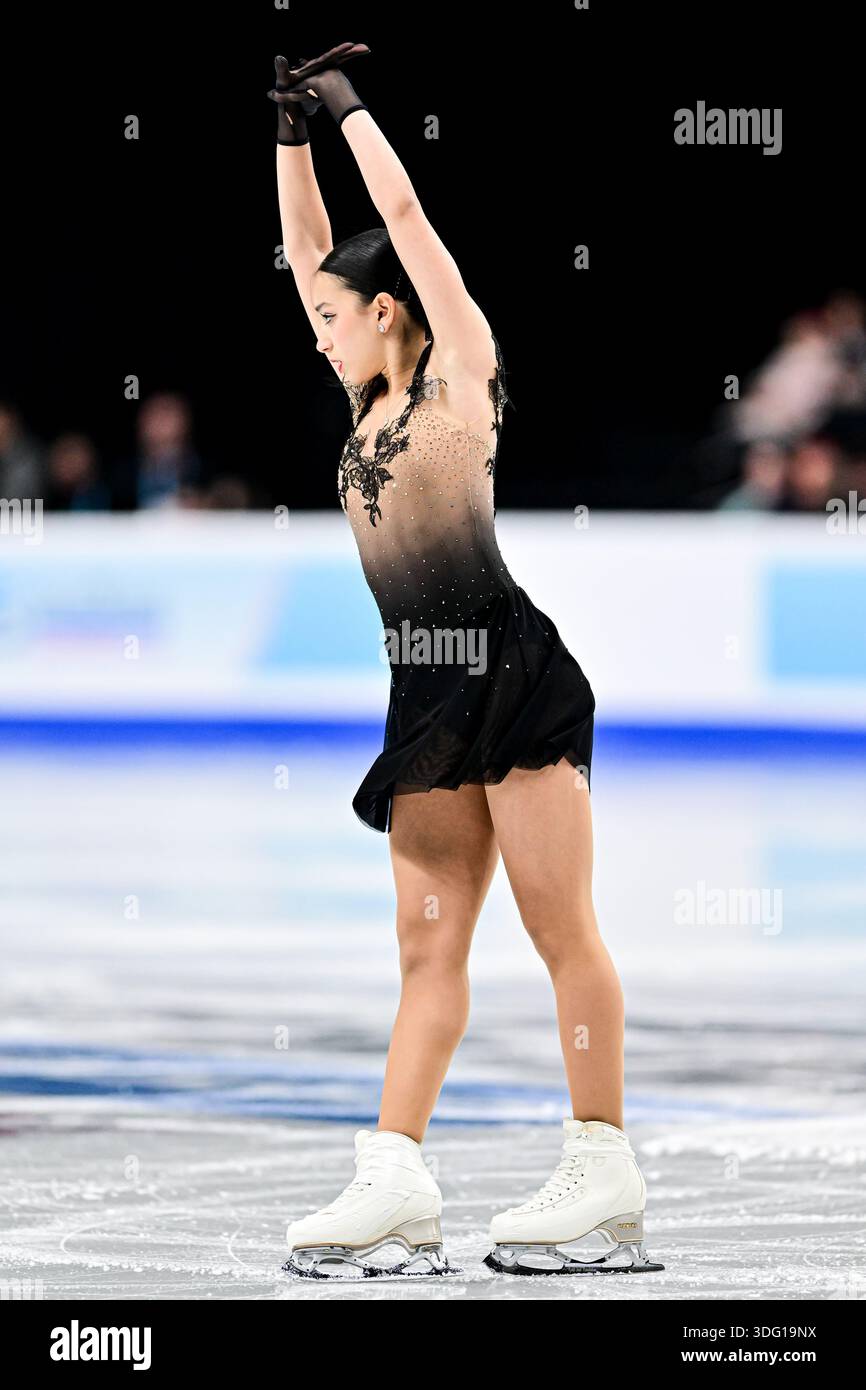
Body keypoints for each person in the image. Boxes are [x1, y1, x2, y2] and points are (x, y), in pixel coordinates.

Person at [270, 43, 663, 1280]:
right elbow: (307, 249)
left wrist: (350, 109)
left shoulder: (458, 374)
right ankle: (395, 1179)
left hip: (512, 678)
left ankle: (602, 1172)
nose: (316, 330)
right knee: (424, 949)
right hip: (424, 696)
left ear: (387, 309)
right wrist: (287, 133)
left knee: (561, 932)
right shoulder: (362, 411)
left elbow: (398, 217)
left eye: (335, 314)